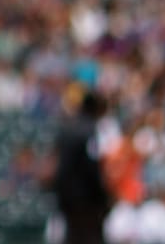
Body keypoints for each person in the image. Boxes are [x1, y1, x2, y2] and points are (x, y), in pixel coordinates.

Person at [51, 90, 112, 244]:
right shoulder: (89, 130)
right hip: (85, 197)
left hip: (64, 193)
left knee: (71, 236)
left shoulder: (67, 128)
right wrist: (101, 194)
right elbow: (91, 166)